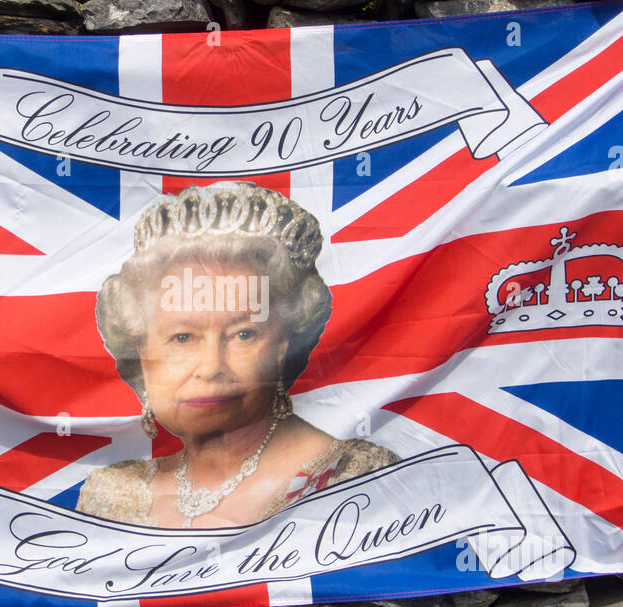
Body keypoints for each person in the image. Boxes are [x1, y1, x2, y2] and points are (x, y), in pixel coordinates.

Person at [77, 180, 397, 529]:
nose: (212, 367)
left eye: (243, 334)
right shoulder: (110, 497)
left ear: (283, 347)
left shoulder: (355, 479)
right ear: (143, 354)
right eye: (183, 337)